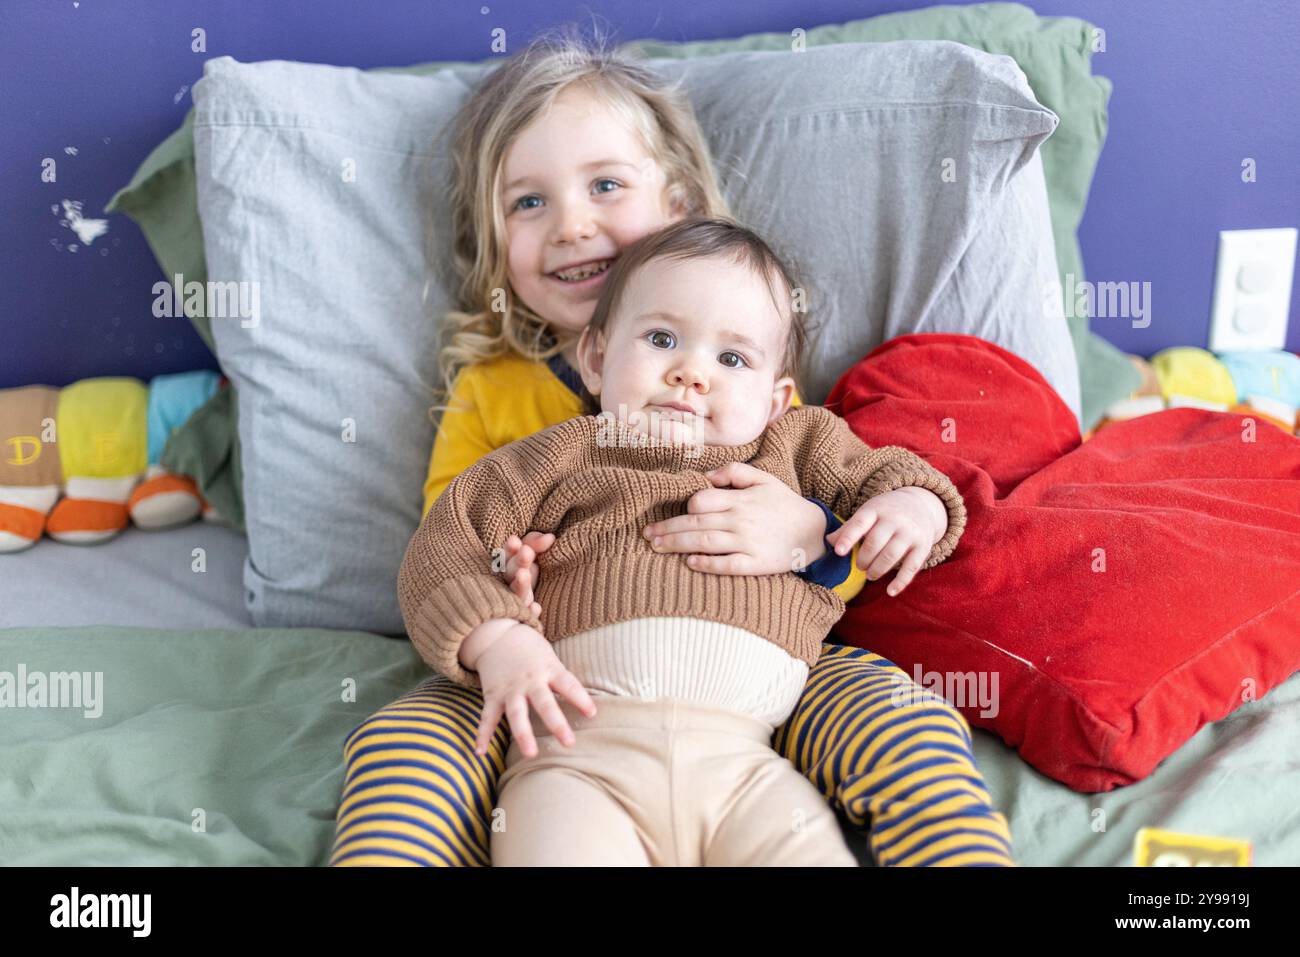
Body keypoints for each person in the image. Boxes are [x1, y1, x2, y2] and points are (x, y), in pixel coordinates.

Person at [331, 27, 1013, 867]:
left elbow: (885, 500)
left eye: (606, 185)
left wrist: (809, 536)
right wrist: (503, 603)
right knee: (408, 736)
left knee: (901, 711)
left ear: (680, 202)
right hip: (548, 676)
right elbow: (447, 539)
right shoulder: (500, 394)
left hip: (773, 677)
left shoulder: (768, 401)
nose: (572, 225)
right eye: (528, 202)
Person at [398, 216, 1012, 865]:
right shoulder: (559, 456)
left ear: (776, 399)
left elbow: (897, 476)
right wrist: (498, 637)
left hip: (750, 768)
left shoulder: (797, 445)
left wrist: (914, 507)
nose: (692, 373)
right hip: (577, 761)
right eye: (662, 338)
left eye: (732, 358)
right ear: (598, 360)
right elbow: (447, 541)